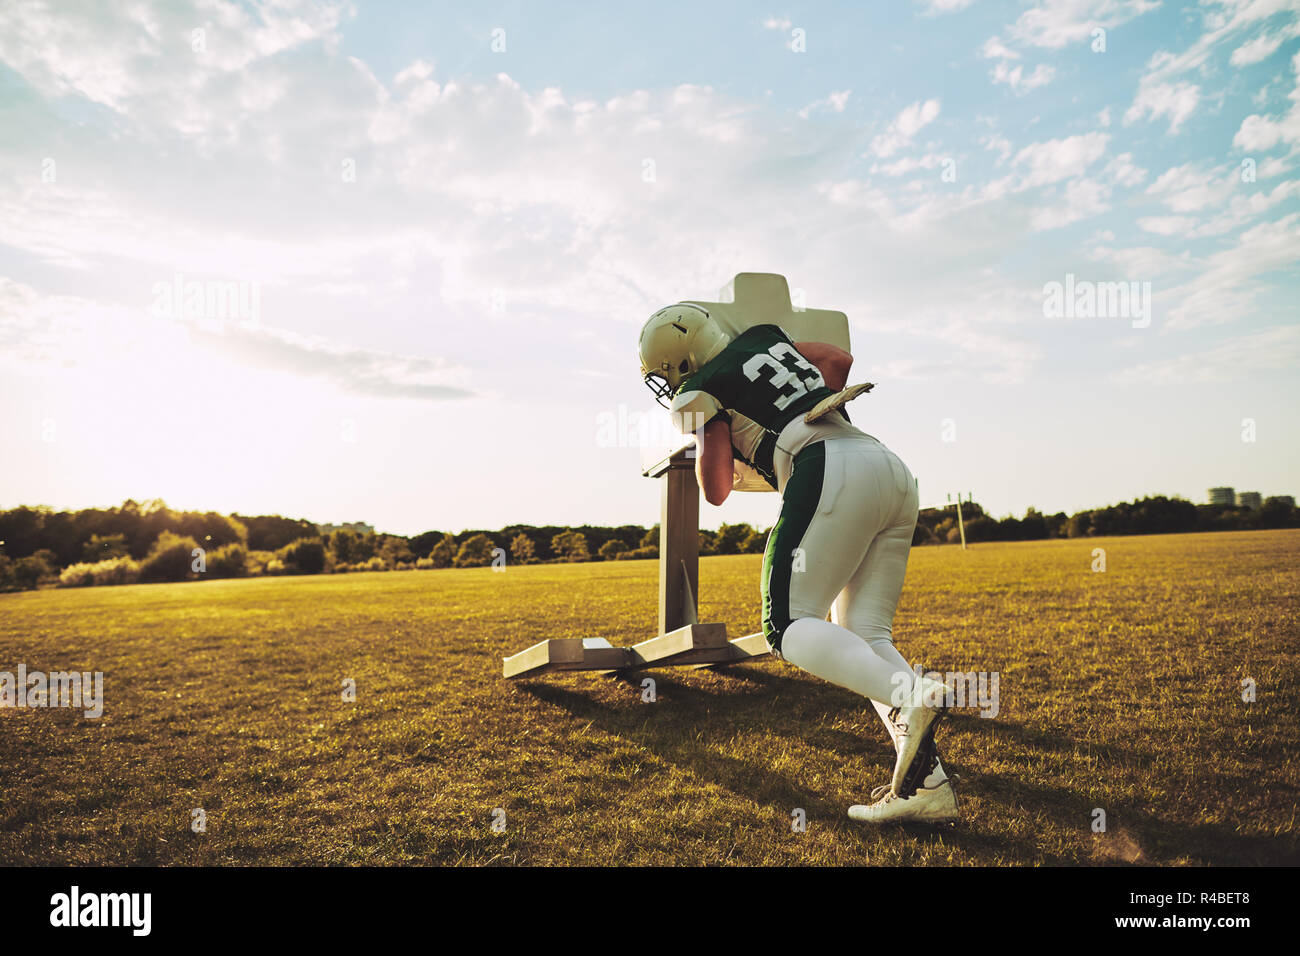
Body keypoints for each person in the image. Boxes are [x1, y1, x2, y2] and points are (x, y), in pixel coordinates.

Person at [637, 302, 958, 823]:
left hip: (825, 464)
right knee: (864, 632)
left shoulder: (701, 390)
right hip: (887, 465)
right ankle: (927, 787)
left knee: (786, 624)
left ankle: (911, 694)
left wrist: (715, 436)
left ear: (680, 361)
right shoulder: (767, 337)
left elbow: (715, 489)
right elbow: (836, 358)